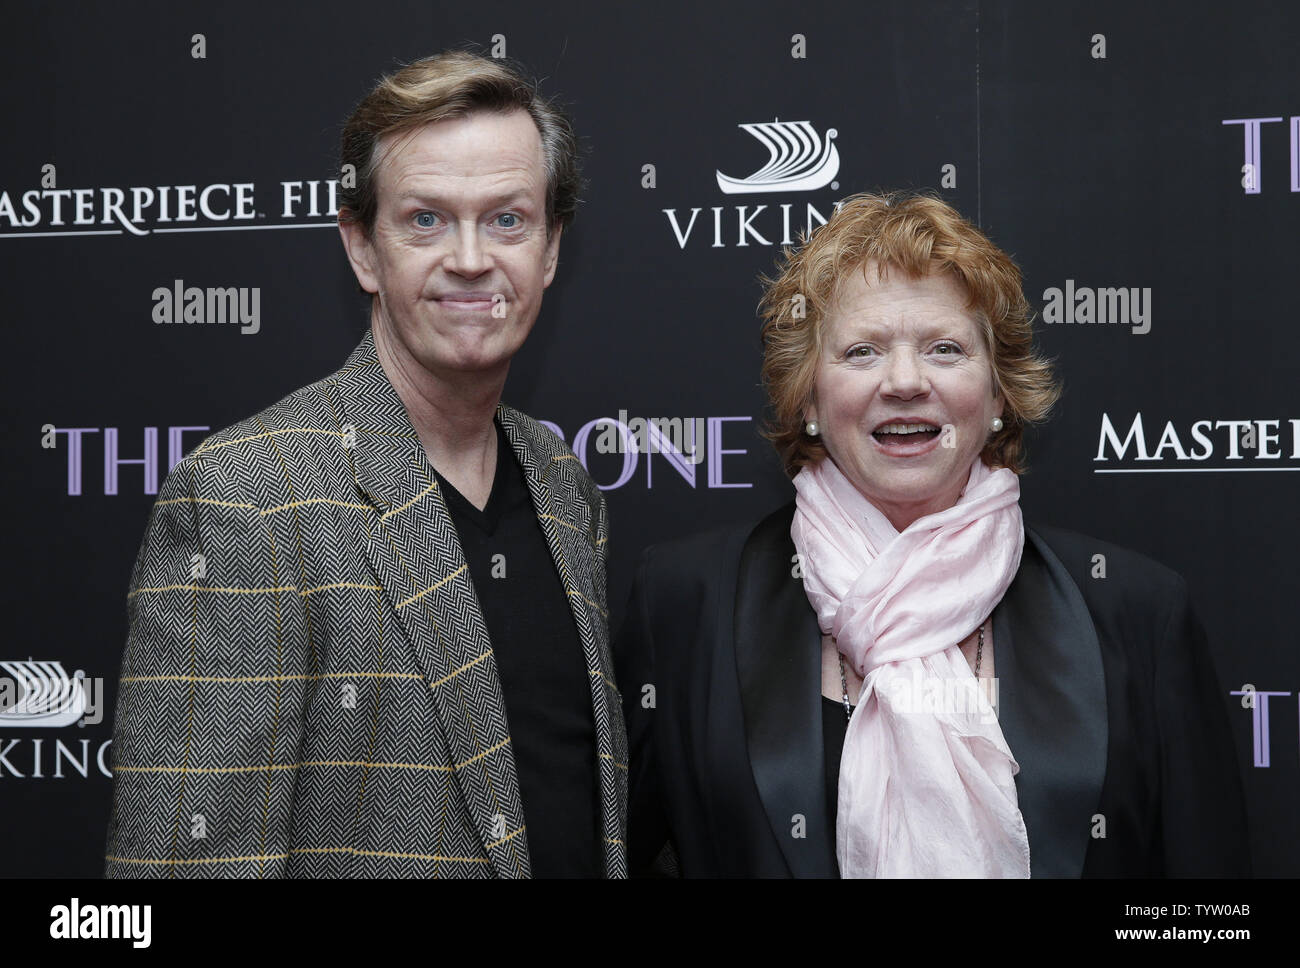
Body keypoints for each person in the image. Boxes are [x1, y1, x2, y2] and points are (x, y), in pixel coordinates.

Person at [616, 191, 1248, 878]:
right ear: (807, 398)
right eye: (862, 351)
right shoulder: (687, 600)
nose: (906, 381)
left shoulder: (1135, 611)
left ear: (999, 394)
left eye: (945, 349)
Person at [104, 50, 627, 878]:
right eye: (425, 219)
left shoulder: (563, 484)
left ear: (551, 249)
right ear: (362, 249)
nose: (469, 258)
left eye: (507, 219)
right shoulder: (245, 498)